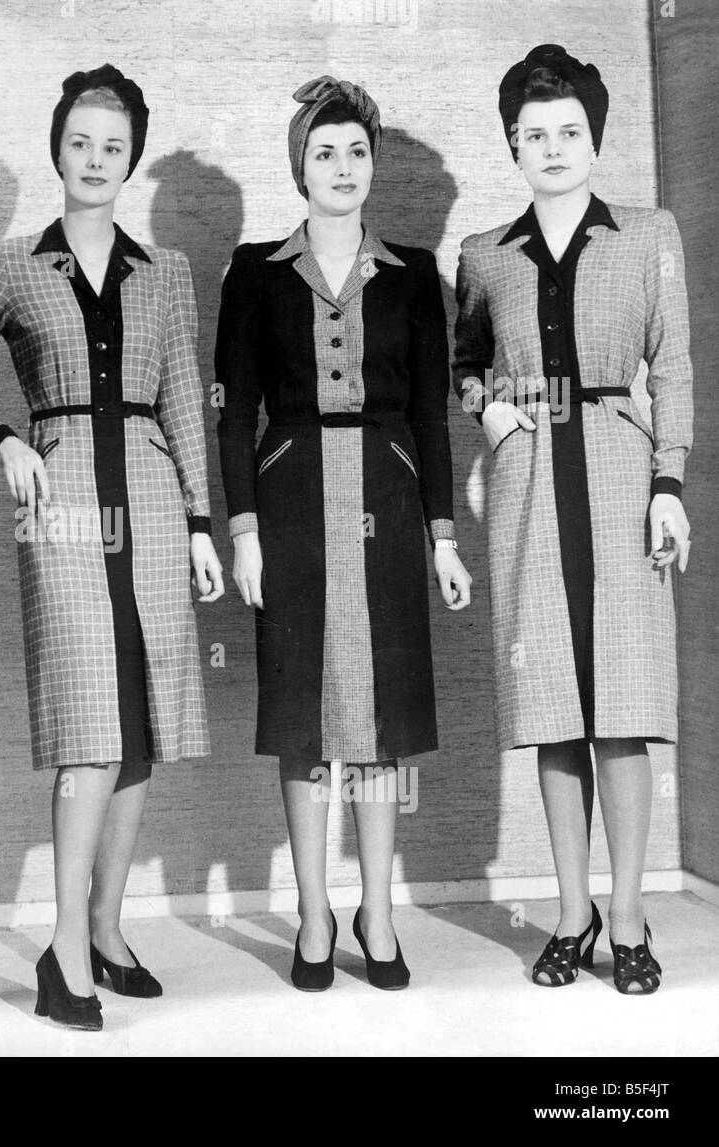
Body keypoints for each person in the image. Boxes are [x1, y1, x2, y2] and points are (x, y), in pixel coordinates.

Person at [0, 64, 222, 1030]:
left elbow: (183, 397)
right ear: (57, 149)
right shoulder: (11, 266)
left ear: (130, 156)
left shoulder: (167, 272)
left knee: (139, 725)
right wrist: (2, 436)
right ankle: (61, 950)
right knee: (90, 724)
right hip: (59, 498)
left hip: (147, 484)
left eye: (112, 145)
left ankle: (105, 927)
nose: (96, 160)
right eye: (80, 142)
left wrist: (199, 520)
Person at [217, 76, 472, 993]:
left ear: (374, 164)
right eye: (324, 152)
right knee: (303, 713)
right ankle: (316, 912)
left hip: (389, 503)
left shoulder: (412, 274)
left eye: (357, 151)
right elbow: (231, 412)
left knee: (379, 716)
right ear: (299, 165)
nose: (342, 166)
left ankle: (377, 908)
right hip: (288, 506)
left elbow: (436, 418)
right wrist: (242, 528)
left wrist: (443, 534)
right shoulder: (254, 271)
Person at [454, 44, 692, 995]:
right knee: (557, 714)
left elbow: (671, 365)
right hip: (528, 491)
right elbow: (463, 360)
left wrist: (669, 479)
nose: (550, 148)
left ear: (595, 140)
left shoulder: (649, 234)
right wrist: (485, 405)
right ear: (513, 146)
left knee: (624, 715)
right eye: (532, 134)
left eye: (567, 132)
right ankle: (571, 910)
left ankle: (628, 915)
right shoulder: (483, 254)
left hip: (620, 470)